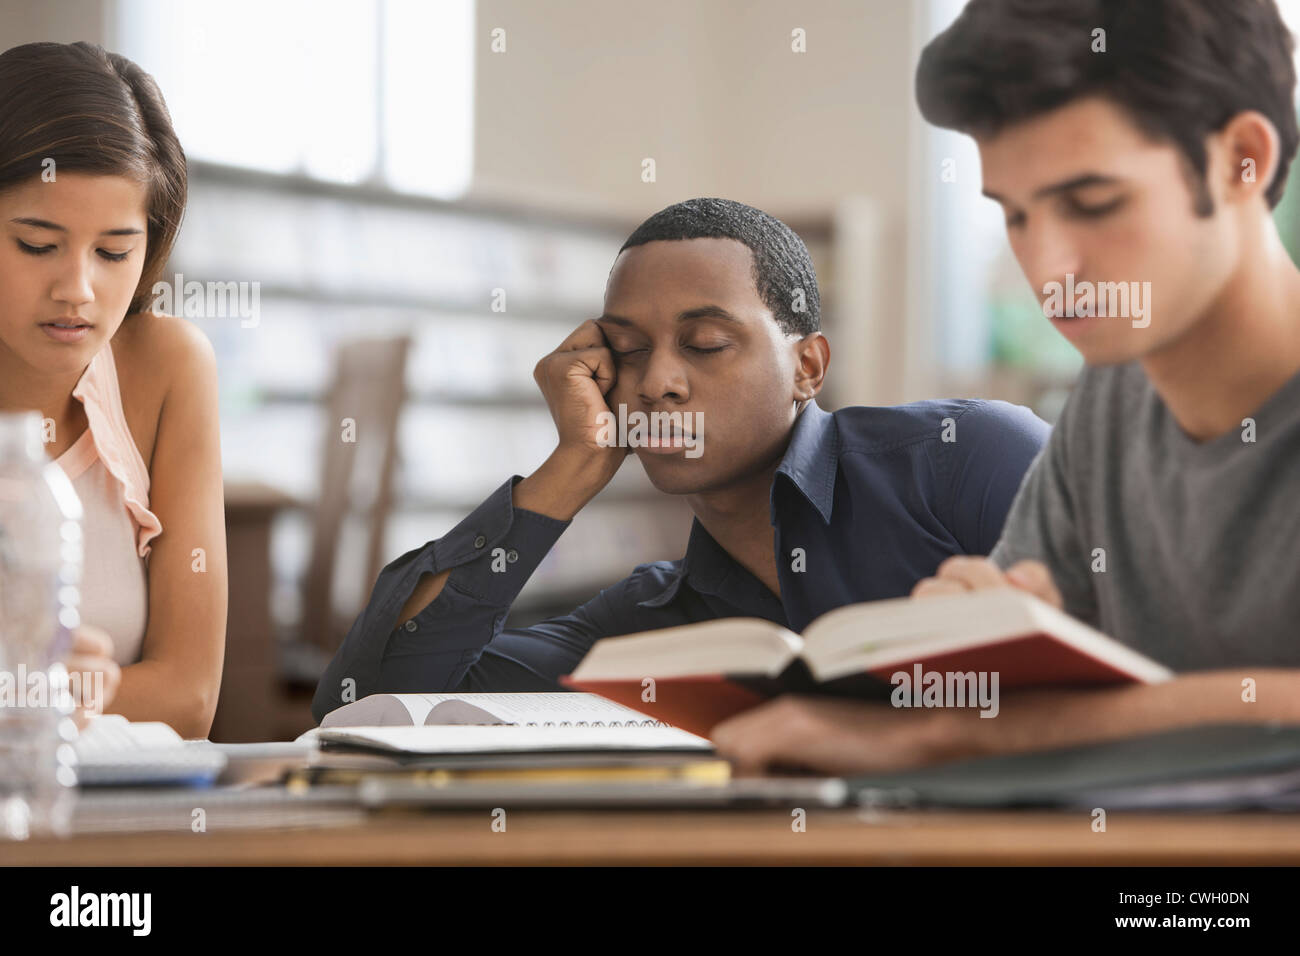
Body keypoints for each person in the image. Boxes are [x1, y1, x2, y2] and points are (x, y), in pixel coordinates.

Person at [711, 0, 1300, 775]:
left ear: (1240, 161)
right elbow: (1074, 699)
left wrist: (959, 734)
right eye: (1016, 216)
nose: (1048, 269)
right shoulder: (1109, 402)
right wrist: (978, 644)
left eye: (1093, 203)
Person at [312, 197, 1048, 723]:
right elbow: (368, 704)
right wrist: (572, 467)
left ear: (807, 368)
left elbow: (1145, 648)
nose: (656, 381)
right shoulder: (644, 624)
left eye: (704, 344)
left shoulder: (965, 459)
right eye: (627, 351)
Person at [0, 42, 226, 737]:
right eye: (37, 244)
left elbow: (190, 698)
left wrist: (36, 701)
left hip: (109, 820)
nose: (77, 290)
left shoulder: (168, 368)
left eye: (113, 252)